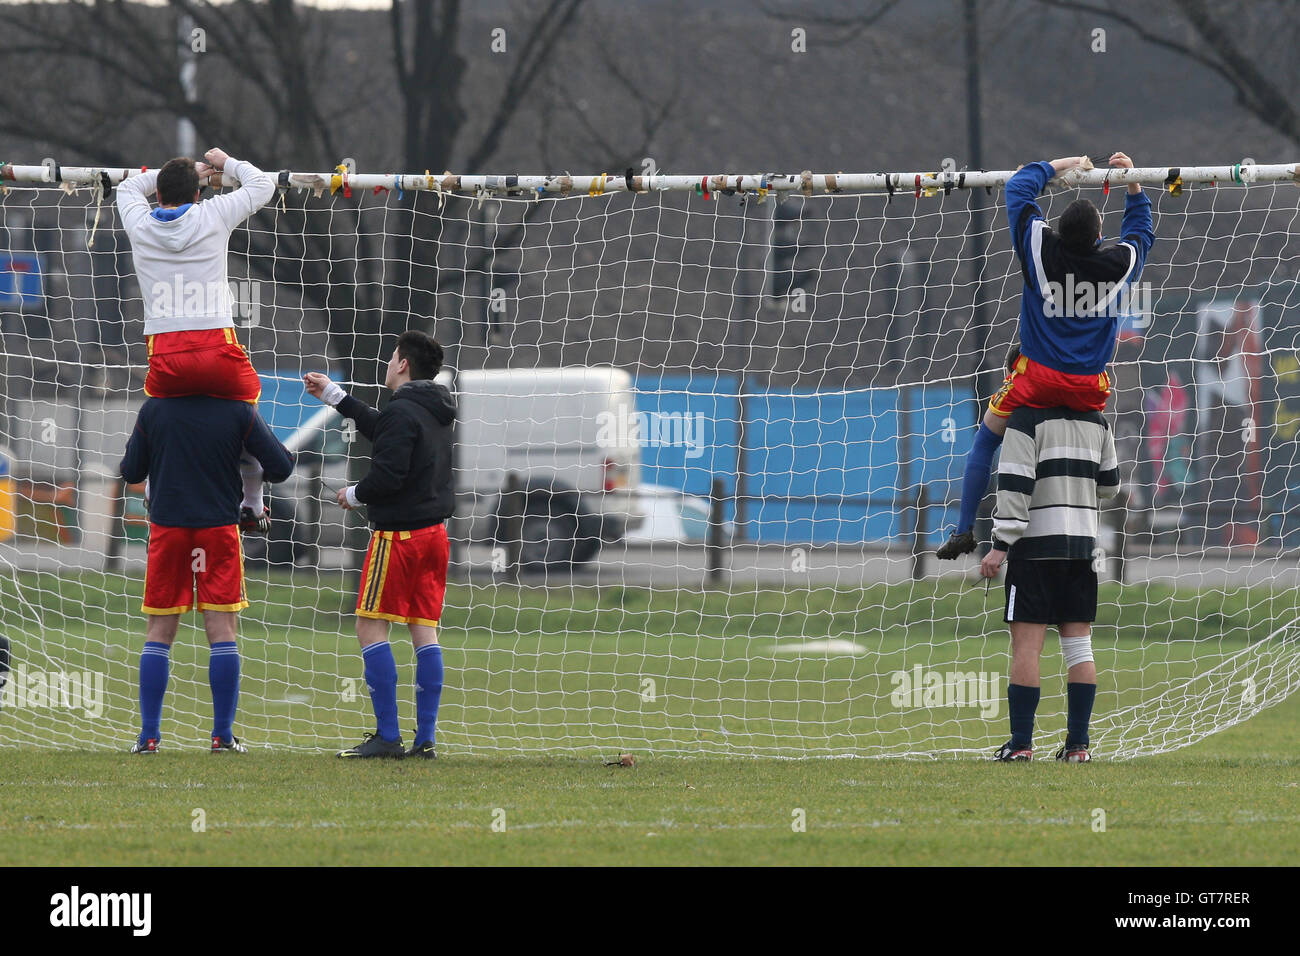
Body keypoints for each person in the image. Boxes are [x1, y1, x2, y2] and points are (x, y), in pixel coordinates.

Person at [938, 152, 1153, 559]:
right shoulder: (1118, 264)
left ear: (1058, 231)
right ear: (1097, 237)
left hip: (1035, 379)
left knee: (985, 440)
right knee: (1088, 454)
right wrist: (1132, 182)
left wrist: (1067, 162)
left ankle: (965, 529)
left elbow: (1019, 185)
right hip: (1090, 388)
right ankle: (1094, 497)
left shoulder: (1040, 249)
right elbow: (1140, 232)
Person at [304, 330, 456, 759]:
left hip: (399, 539)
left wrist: (353, 494)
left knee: (370, 625)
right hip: (434, 538)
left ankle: (388, 736)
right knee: (423, 630)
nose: (389, 363)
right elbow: (383, 427)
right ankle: (425, 739)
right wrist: (335, 395)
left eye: (392, 357)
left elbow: (388, 476)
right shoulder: (434, 409)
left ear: (403, 364)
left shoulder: (402, 411)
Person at [120, 395, 294, 753]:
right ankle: (222, 737)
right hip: (218, 528)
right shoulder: (239, 410)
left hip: (169, 527)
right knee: (221, 630)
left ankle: (148, 737)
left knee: (159, 631)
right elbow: (280, 466)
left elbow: (132, 471)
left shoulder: (156, 408)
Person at [116, 147, 278, 532]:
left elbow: (129, 187)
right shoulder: (212, 213)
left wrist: (184, 174)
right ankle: (253, 504)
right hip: (215, 346)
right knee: (245, 418)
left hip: (164, 353)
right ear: (197, 195)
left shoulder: (137, 220)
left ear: (158, 194)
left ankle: (155, 487)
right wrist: (223, 163)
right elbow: (263, 184)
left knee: (167, 417)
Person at [978, 404, 1120, 762]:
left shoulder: (1026, 418)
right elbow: (1110, 486)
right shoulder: (1097, 420)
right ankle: (1078, 747)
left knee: (1027, 649)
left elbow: (1015, 483)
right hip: (1082, 549)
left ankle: (1021, 745)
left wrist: (999, 547)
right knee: (1079, 648)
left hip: (1035, 548)